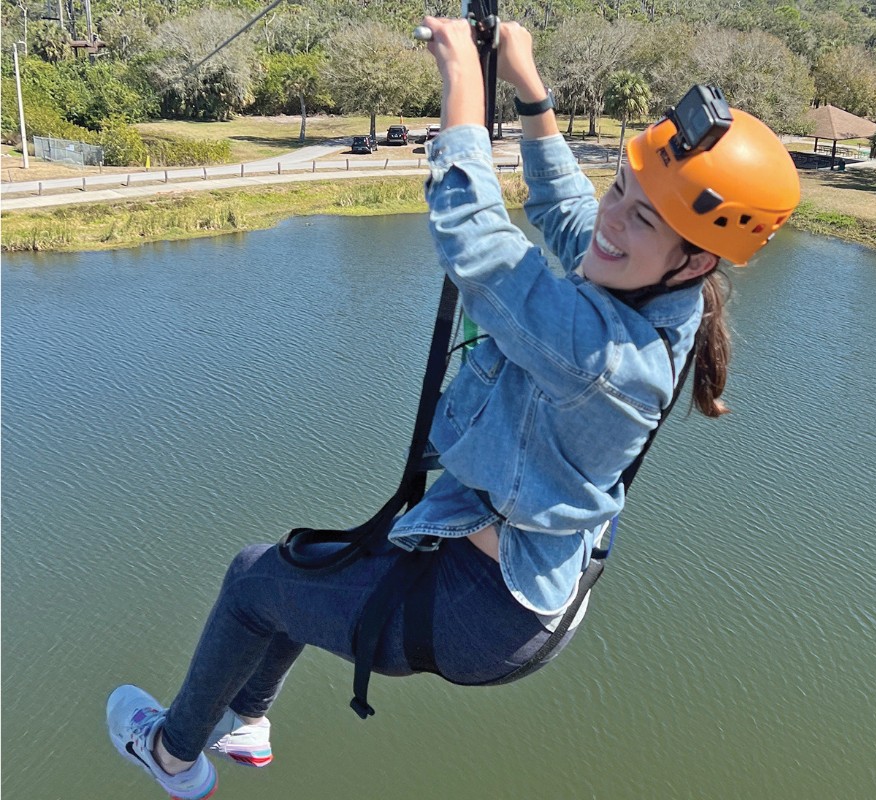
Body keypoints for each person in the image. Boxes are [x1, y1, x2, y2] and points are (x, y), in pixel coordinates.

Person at [105, 17, 800, 800]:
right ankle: (249, 720)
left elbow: (474, 242)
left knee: (250, 581)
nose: (611, 219)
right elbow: (568, 211)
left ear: (697, 258)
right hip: (508, 574)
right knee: (290, 579)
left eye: (643, 218)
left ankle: (171, 756)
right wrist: (529, 87)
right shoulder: (653, 291)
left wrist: (464, 88)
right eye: (622, 190)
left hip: (484, 615)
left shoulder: (607, 355)